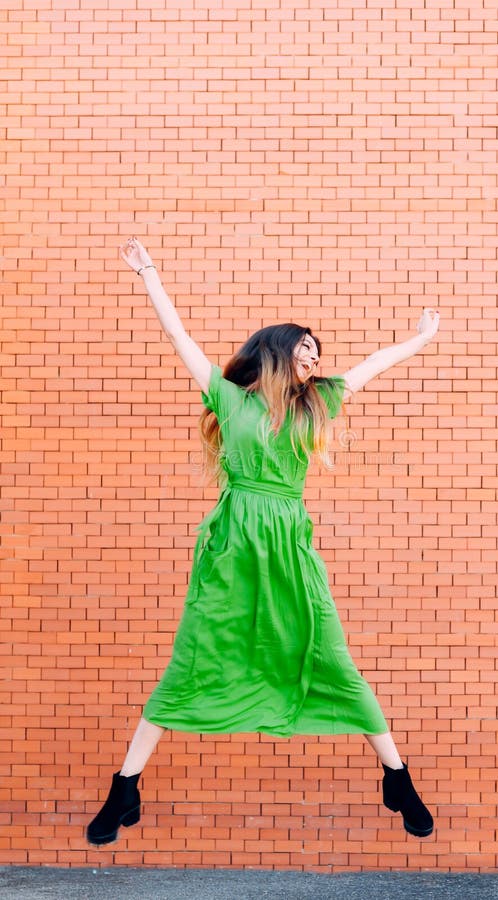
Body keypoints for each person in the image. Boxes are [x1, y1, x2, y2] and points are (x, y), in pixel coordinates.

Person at [86, 237, 440, 847]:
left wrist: (417, 341)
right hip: (232, 545)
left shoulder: (318, 402)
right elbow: (179, 340)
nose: (314, 357)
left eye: (318, 352)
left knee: (329, 650)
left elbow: (370, 367)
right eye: (305, 347)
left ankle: (396, 775)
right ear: (278, 350)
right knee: (192, 658)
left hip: (289, 544)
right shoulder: (227, 398)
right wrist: (150, 274)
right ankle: (125, 788)